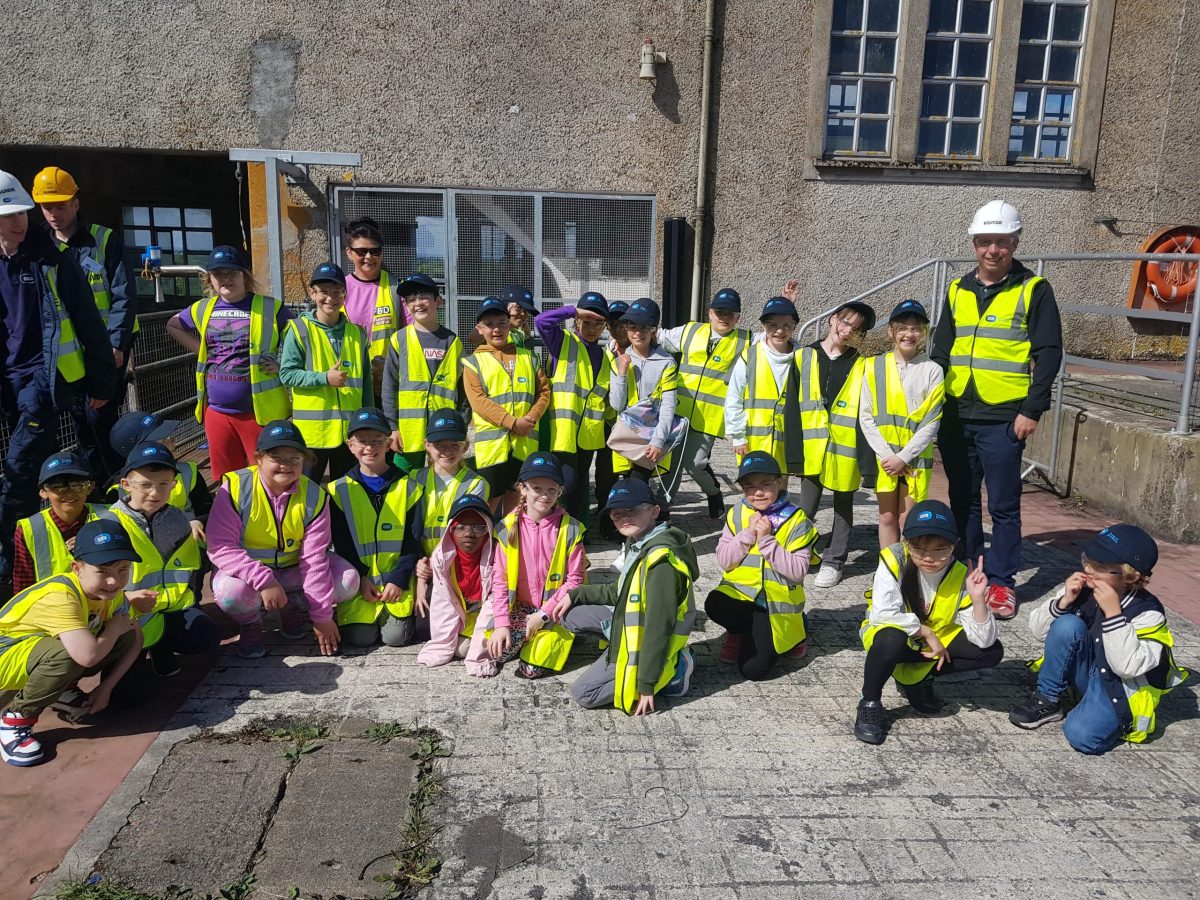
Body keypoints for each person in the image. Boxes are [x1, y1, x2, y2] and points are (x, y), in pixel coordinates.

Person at [931, 200, 1063, 620]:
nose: (993, 250)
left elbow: (1049, 352)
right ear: (974, 243)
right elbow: (941, 350)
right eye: (985, 241)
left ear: (1014, 242)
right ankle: (972, 572)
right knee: (962, 498)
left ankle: (1003, 583)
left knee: (1004, 505)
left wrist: (1032, 410)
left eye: (1001, 242)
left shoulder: (1033, 289)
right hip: (956, 413)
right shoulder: (956, 289)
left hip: (1004, 416)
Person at [0, 171, 116, 598]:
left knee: (19, 472)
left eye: (22, 213)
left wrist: (102, 379)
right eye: (8, 215)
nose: (19, 222)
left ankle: (9, 567)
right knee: (30, 472)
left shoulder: (49, 259)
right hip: (8, 382)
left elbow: (88, 318)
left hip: (43, 383)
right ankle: (41, 558)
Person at [1010, 524, 1189, 754]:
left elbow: (1127, 667)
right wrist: (1063, 601)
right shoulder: (1084, 590)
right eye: (1087, 560)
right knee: (1066, 624)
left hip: (1117, 686)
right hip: (1087, 673)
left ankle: (1102, 714)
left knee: (1082, 736)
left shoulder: (1148, 612)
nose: (1088, 569)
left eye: (1100, 566)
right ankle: (1048, 699)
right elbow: (1037, 631)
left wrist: (1114, 615)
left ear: (1130, 575)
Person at [854, 500, 1002, 745]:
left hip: (929, 641)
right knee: (892, 638)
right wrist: (925, 632)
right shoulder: (894, 559)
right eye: (919, 548)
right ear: (906, 542)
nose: (929, 558)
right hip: (891, 635)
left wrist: (978, 600)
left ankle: (918, 679)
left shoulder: (959, 572)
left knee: (990, 651)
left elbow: (983, 639)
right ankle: (870, 702)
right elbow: (882, 613)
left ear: (954, 545)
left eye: (940, 549)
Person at [207, 421, 359, 658]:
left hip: (293, 570)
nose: (286, 465)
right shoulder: (234, 488)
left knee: (348, 580)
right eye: (276, 457)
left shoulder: (315, 495)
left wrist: (322, 617)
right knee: (231, 594)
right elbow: (221, 548)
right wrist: (265, 581)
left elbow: (314, 559)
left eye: (294, 458)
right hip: (250, 574)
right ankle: (251, 624)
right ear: (258, 459)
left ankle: (289, 606)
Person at [0, 519, 143, 767]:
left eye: (123, 570)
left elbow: (135, 639)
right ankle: (16, 720)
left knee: (122, 636)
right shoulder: (61, 595)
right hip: (6, 655)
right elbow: (87, 656)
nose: (114, 581)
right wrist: (113, 627)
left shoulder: (112, 593)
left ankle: (59, 690)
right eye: (103, 571)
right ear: (77, 568)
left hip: (35, 652)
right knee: (72, 651)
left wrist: (106, 687)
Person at [552, 478, 698, 715]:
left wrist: (647, 685)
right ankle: (620, 653)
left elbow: (658, 626)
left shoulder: (660, 562)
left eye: (632, 510)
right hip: (630, 625)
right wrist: (575, 594)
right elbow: (619, 591)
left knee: (585, 694)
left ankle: (674, 670)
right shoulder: (638, 541)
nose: (624, 518)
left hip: (644, 638)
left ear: (654, 511)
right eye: (617, 514)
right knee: (569, 614)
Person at [33, 166, 138, 490]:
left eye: (61, 205)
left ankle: (121, 482)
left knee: (100, 416)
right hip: (68, 354)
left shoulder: (104, 240)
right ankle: (94, 487)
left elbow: (123, 294)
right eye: (47, 207)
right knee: (80, 420)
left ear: (76, 203)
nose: (53, 214)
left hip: (106, 349)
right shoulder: (39, 248)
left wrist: (116, 345)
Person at [166, 245, 294, 479]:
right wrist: (200, 351)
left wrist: (285, 365)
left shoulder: (270, 307)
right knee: (225, 480)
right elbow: (173, 325)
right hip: (216, 412)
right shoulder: (203, 308)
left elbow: (299, 337)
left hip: (258, 414)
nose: (225, 279)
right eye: (218, 274)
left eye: (231, 273)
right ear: (210, 279)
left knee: (265, 478)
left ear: (244, 275)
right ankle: (231, 516)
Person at [101, 442, 218, 681]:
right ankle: (139, 652)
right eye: (145, 485)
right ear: (126, 485)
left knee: (204, 634)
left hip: (168, 608)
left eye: (164, 484)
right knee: (128, 699)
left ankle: (161, 646)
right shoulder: (109, 523)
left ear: (174, 485)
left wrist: (190, 604)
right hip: (125, 615)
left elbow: (190, 570)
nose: (155, 493)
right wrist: (126, 601)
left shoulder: (178, 520)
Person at [785, 295, 875, 588]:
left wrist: (867, 464)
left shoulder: (862, 366)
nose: (847, 330)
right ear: (832, 319)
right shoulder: (803, 356)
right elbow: (792, 410)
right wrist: (793, 454)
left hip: (845, 452)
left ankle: (834, 561)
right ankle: (800, 554)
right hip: (812, 449)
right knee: (806, 507)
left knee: (842, 507)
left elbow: (865, 416)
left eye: (856, 329)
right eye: (845, 321)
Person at [707, 451, 818, 679]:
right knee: (715, 603)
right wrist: (748, 534)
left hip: (774, 604)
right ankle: (739, 631)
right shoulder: (737, 512)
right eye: (749, 486)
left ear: (780, 482)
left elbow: (798, 571)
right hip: (743, 596)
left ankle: (796, 630)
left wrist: (766, 540)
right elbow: (724, 560)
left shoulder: (798, 520)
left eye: (766, 484)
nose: (758, 492)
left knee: (753, 671)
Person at [482, 453, 586, 679]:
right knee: (497, 651)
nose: (544, 496)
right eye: (537, 488)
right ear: (523, 489)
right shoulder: (507, 527)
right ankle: (532, 638)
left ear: (559, 491)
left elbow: (575, 581)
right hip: (522, 608)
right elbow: (500, 580)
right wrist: (502, 623)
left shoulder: (571, 529)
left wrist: (543, 615)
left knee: (531, 670)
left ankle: (566, 635)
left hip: (557, 609)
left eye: (551, 490)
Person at [327, 408, 422, 649]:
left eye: (377, 440)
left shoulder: (409, 486)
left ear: (389, 443)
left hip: (395, 582)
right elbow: (342, 543)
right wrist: (359, 577)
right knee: (361, 639)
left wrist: (398, 580)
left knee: (395, 638)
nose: (370, 447)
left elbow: (412, 540)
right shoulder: (338, 490)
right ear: (350, 445)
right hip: (360, 582)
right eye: (362, 441)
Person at [859, 300, 944, 550]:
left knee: (908, 519)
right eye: (903, 327)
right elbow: (866, 416)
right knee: (886, 517)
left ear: (924, 332)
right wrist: (888, 456)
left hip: (914, 460)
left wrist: (904, 457)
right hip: (884, 459)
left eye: (916, 328)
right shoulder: (873, 366)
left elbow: (931, 422)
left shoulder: (933, 370)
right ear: (891, 331)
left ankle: (907, 574)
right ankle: (888, 573)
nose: (909, 334)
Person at [659, 288, 750, 519]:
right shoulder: (691, 331)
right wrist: (618, 341)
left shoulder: (746, 340)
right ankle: (663, 507)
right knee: (672, 462)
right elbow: (656, 336)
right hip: (678, 411)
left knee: (695, 464)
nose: (723, 317)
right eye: (719, 311)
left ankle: (713, 491)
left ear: (738, 317)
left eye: (730, 313)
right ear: (710, 313)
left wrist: (786, 306)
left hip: (709, 418)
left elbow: (777, 339)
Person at [280, 262, 372, 481]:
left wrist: (367, 424)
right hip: (314, 434)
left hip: (349, 433)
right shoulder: (299, 330)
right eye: (323, 291)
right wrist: (324, 378)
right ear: (312, 293)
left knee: (346, 493)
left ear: (345, 295)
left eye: (337, 292)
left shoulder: (357, 333)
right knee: (307, 493)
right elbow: (287, 374)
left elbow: (365, 382)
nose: (330, 298)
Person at [462, 296, 551, 508]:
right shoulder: (474, 362)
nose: (496, 329)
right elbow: (479, 402)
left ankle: (510, 541)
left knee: (518, 499)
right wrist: (513, 422)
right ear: (479, 329)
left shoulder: (528, 357)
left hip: (524, 443)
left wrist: (531, 417)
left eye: (502, 323)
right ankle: (487, 541)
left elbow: (544, 392)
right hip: (493, 448)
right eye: (489, 324)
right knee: (489, 501)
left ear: (509, 324)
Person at [534, 290, 612, 523]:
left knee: (579, 484)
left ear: (604, 326)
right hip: (564, 431)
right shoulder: (563, 342)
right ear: (577, 320)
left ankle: (579, 530)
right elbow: (541, 321)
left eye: (598, 323)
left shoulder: (604, 354)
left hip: (588, 433)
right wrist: (572, 310)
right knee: (565, 483)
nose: (591, 327)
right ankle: (548, 524)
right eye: (586, 321)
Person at [382, 273, 463, 472]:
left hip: (445, 432)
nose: (417, 303)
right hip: (408, 434)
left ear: (438, 301)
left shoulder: (452, 342)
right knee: (404, 484)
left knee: (442, 482)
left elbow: (463, 390)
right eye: (410, 299)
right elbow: (389, 387)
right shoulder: (399, 340)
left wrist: (461, 423)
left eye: (423, 297)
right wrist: (393, 428)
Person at [609, 298, 680, 504]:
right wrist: (622, 373)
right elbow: (616, 404)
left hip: (651, 438)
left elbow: (668, 406)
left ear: (654, 330)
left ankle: (640, 529)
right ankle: (632, 531)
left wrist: (658, 441)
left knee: (637, 487)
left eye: (644, 327)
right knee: (627, 486)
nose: (637, 332)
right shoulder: (619, 360)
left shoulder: (667, 363)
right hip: (626, 437)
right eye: (632, 326)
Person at [417, 494, 498, 675]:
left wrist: (479, 655)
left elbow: (494, 605)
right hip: (466, 610)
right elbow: (443, 603)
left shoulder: (497, 557)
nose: (469, 534)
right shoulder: (442, 557)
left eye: (478, 527)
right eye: (460, 527)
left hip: (493, 613)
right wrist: (441, 644)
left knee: (464, 649)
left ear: (488, 530)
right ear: (450, 530)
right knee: (425, 630)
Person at [725, 296, 802, 472]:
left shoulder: (803, 359)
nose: (779, 331)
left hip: (786, 440)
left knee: (780, 484)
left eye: (786, 325)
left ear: (794, 326)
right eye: (773, 325)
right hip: (753, 441)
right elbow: (734, 398)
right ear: (764, 326)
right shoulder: (750, 356)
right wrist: (738, 436)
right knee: (754, 489)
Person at [109, 410, 212, 540]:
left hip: (188, 544)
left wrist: (199, 522)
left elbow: (208, 510)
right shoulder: (117, 487)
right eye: (164, 439)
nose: (173, 442)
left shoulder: (188, 472)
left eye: (170, 437)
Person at [12, 452, 101, 594]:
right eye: (58, 487)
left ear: (90, 487)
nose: (69, 493)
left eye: (78, 485)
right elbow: (23, 587)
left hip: (107, 607)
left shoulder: (112, 516)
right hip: (55, 611)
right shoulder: (29, 530)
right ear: (43, 493)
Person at [408, 410, 490, 559]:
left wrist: (434, 561)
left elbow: (467, 533)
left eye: (454, 445)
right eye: (440, 445)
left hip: (455, 561)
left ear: (465, 447)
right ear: (427, 445)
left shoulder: (476, 484)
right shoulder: (414, 478)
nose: (447, 451)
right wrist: (419, 561)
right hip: (419, 560)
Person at [341, 217, 406, 392]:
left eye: (375, 251)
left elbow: (412, 335)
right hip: (348, 382)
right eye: (361, 251)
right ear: (349, 252)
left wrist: (394, 365)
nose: (368, 257)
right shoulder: (339, 289)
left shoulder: (395, 287)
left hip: (386, 383)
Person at [593, 299, 631, 536]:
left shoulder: (641, 349)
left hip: (633, 428)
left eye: (623, 322)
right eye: (613, 323)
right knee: (605, 474)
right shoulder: (604, 351)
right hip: (609, 424)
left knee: (626, 477)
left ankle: (625, 523)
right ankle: (606, 518)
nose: (618, 328)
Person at [502, 284, 538, 348]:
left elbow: (527, 335)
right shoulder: (497, 335)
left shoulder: (516, 334)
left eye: (526, 311)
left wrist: (524, 322)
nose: (523, 314)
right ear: (505, 307)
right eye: (518, 308)